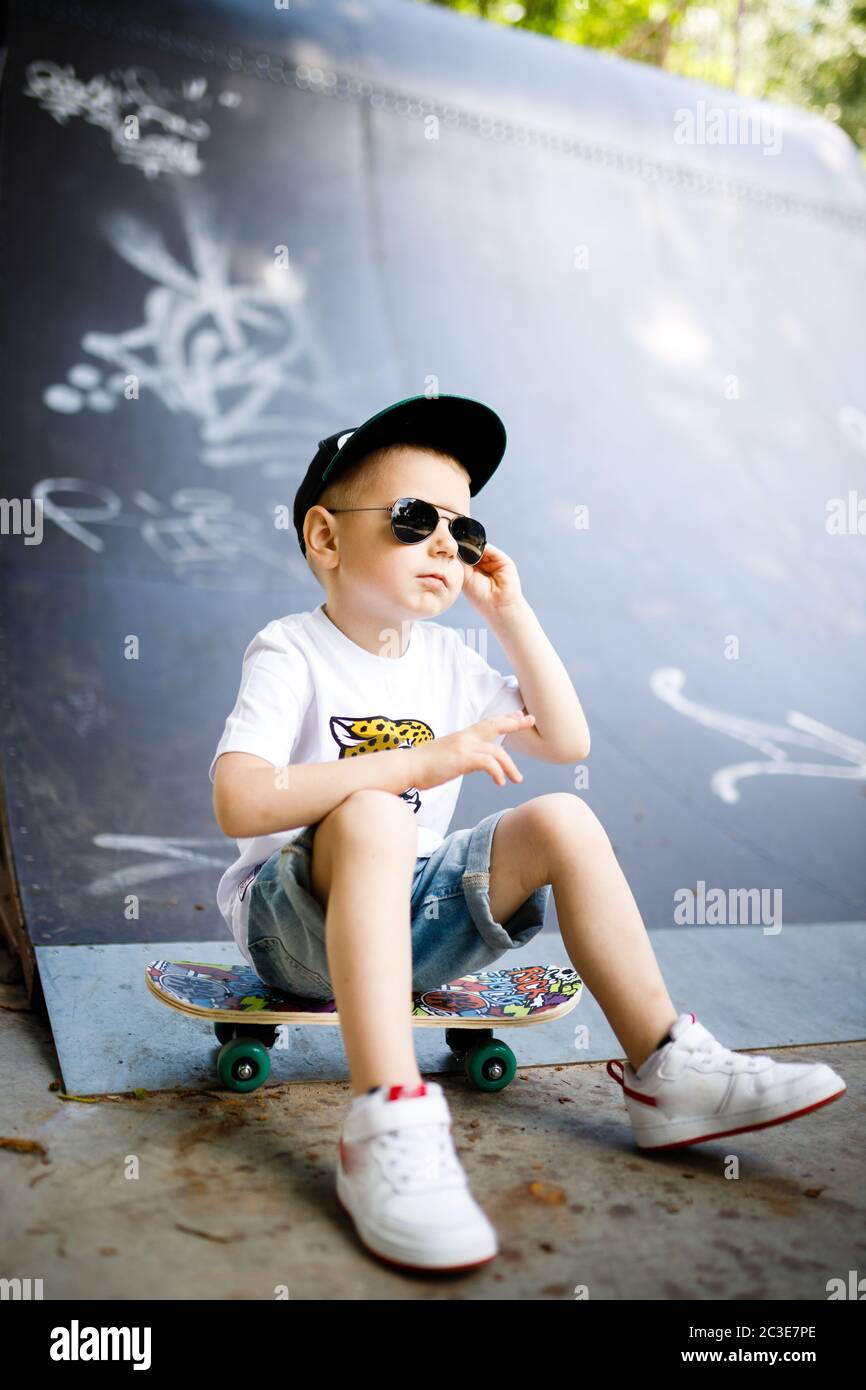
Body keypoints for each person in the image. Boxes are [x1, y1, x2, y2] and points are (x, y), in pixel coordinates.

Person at [209, 394, 847, 1274]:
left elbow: (564, 741)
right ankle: (388, 1120)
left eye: (464, 531)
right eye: (413, 519)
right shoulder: (291, 650)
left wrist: (510, 614)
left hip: (407, 928)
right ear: (325, 538)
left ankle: (668, 1070)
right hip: (295, 928)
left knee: (563, 816)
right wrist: (415, 765)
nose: (446, 543)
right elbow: (241, 801)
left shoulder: (447, 662)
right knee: (369, 811)